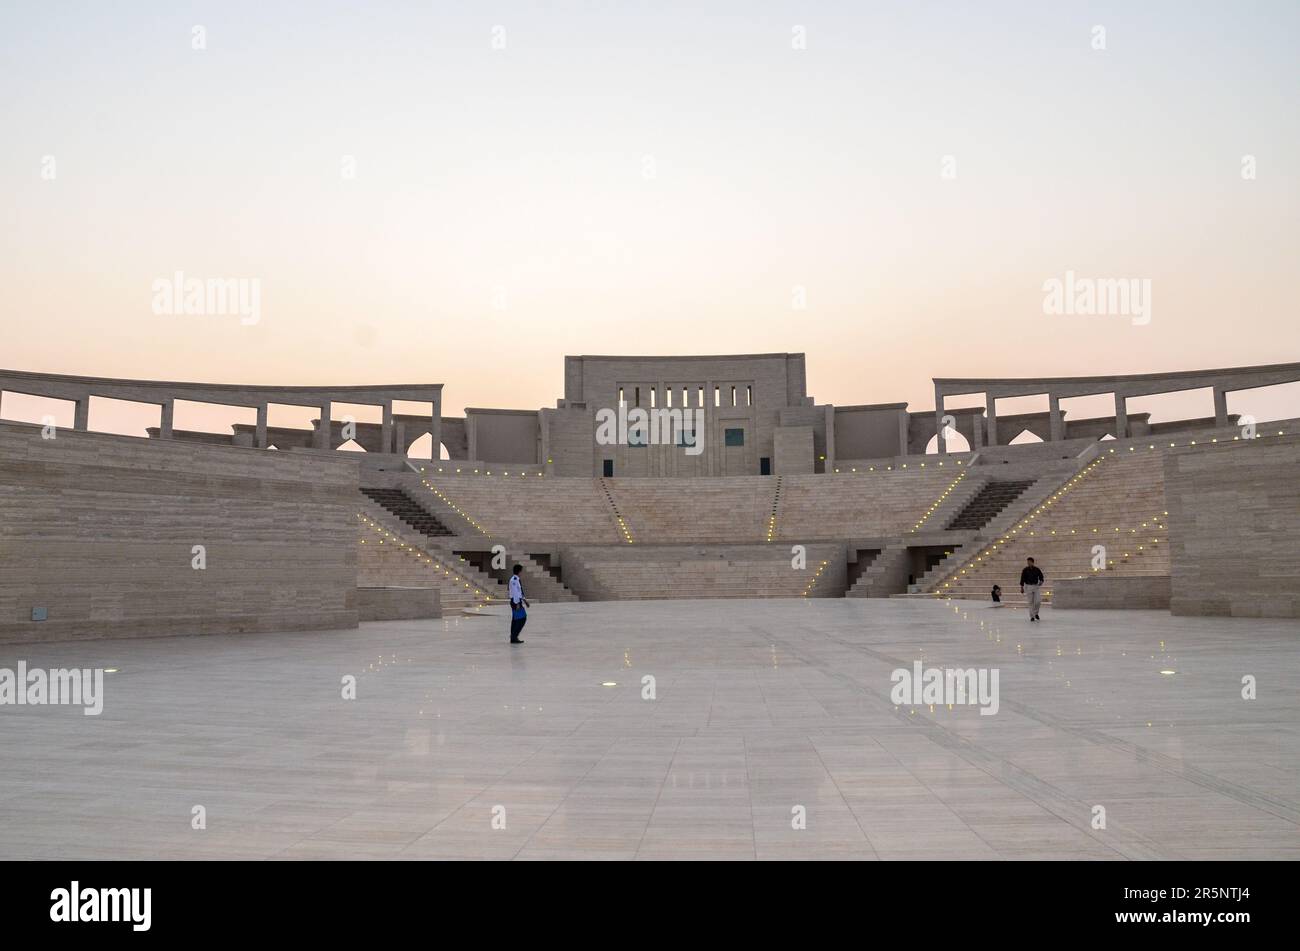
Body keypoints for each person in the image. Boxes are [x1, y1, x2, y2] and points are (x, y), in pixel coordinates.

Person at [508, 564, 530, 644]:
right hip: (515, 601)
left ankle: (513, 637)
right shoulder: (514, 580)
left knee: (515, 619)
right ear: (519, 571)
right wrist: (517, 603)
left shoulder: (516, 579)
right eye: (521, 571)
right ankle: (514, 636)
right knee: (522, 618)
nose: (522, 573)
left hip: (517, 601)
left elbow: (519, 591)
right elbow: (515, 593)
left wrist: (525, 600)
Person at [1019, 557, 1044, 622]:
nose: (1028, 563)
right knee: (1030, 602)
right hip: (1028, 586)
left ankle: (1036, 613)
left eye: (1029, 562)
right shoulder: (1025, 570)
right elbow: (1022, 579)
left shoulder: (1037, 569)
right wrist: (1022, 587)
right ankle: (1032, 616)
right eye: (1027, 562)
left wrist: (1041, 581)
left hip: (1035, 586)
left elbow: (1041, 576)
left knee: (1038, 601)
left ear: (1032, 562)